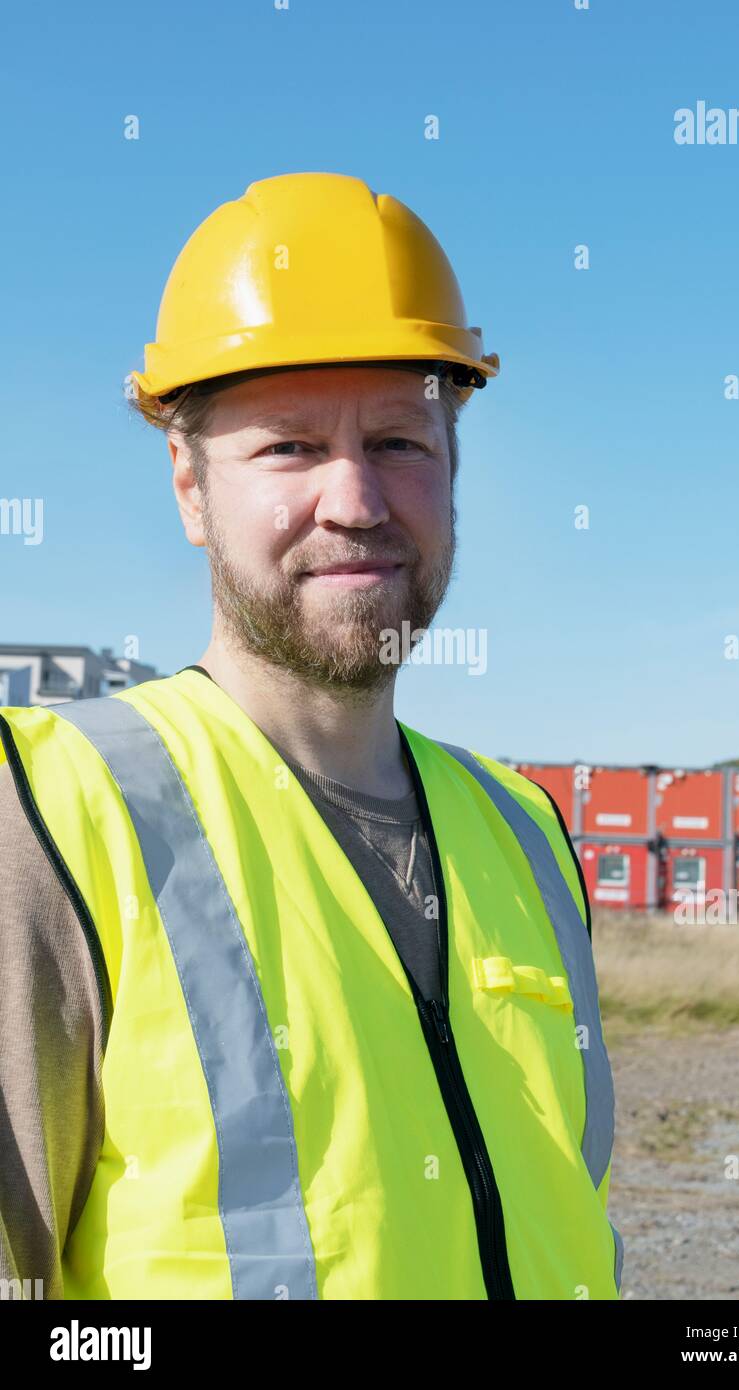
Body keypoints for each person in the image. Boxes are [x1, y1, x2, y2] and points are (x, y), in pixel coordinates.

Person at [0, 172, 622, 1300]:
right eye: (287, 447)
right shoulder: (48, 820)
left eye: (398, 441)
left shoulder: (525, 835)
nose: (355, 499)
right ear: (189, 487)